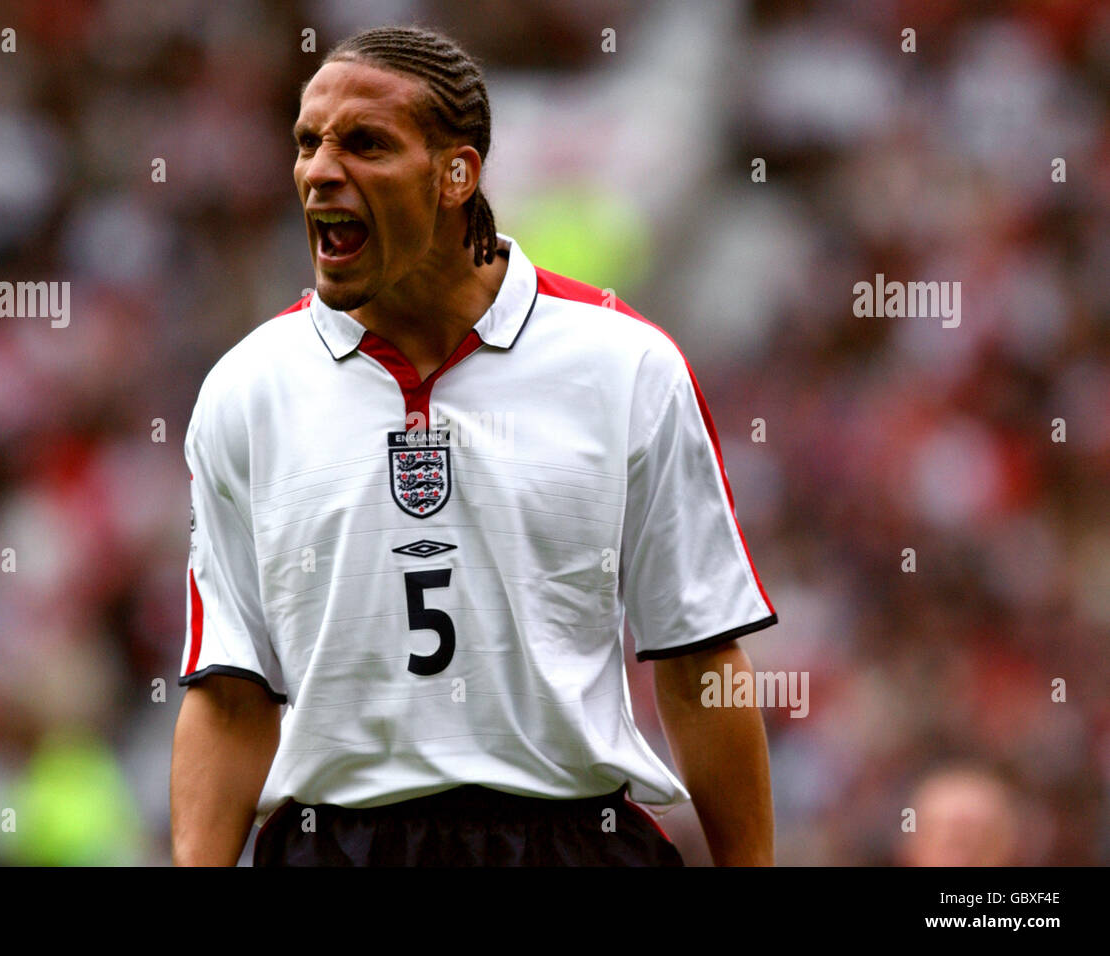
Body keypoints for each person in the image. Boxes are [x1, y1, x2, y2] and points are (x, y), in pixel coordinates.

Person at [170, 25, 778, 866]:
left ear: (458, 174)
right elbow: (232, 691)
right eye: (308, 142)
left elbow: (699, 656)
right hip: (335, 844)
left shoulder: (625, 364)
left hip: (571, 843)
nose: (318, 170)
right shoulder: (247, 390)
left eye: (365, 144)